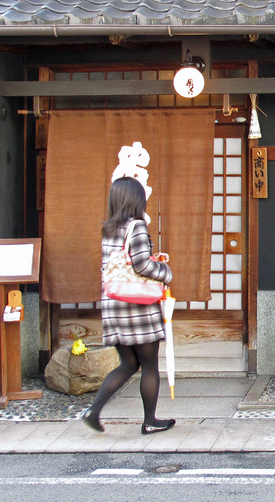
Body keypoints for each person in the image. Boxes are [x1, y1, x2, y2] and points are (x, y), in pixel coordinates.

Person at [83, 176, 175, 435]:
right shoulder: (137, 227)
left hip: (114, 305)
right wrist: (165, 270)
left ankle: (94, 410)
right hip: (138, 306)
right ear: (137, 200)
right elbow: (141, 265)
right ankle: (150, 421)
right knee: (148, 365)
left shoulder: (109, 229)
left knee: (127, 363)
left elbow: (115, 267)